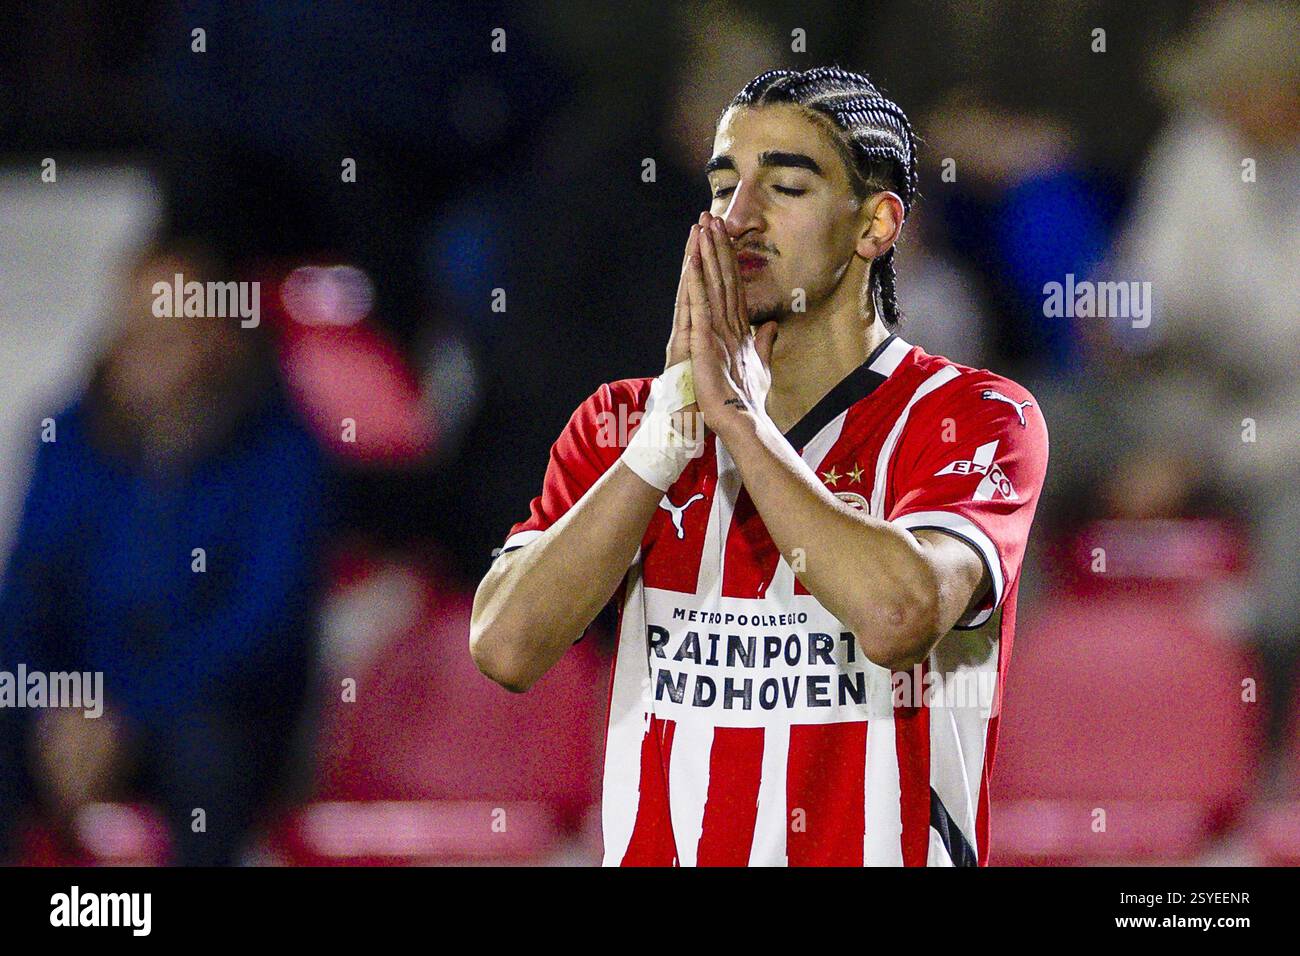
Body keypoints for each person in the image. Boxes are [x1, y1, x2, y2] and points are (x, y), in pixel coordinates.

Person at [470, 67, 1049, 866]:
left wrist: (740, 422)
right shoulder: (623, 425)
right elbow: (505, 647)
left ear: (877, 225)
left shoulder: (975, 416)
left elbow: (897, 617)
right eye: (720, 188)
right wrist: (663, 444)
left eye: (785, 187)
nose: (737, 218)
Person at [0, 237, 334, 865]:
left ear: (218, 340)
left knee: (210, 754)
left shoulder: (282, 453)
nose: (142, 357)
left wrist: (129, 711)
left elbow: (264, 626)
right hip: (79, 709)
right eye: (131, 334)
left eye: (168, 336)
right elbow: (25, 595)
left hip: (207, 711)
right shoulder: (68, 435)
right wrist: (55, 704)